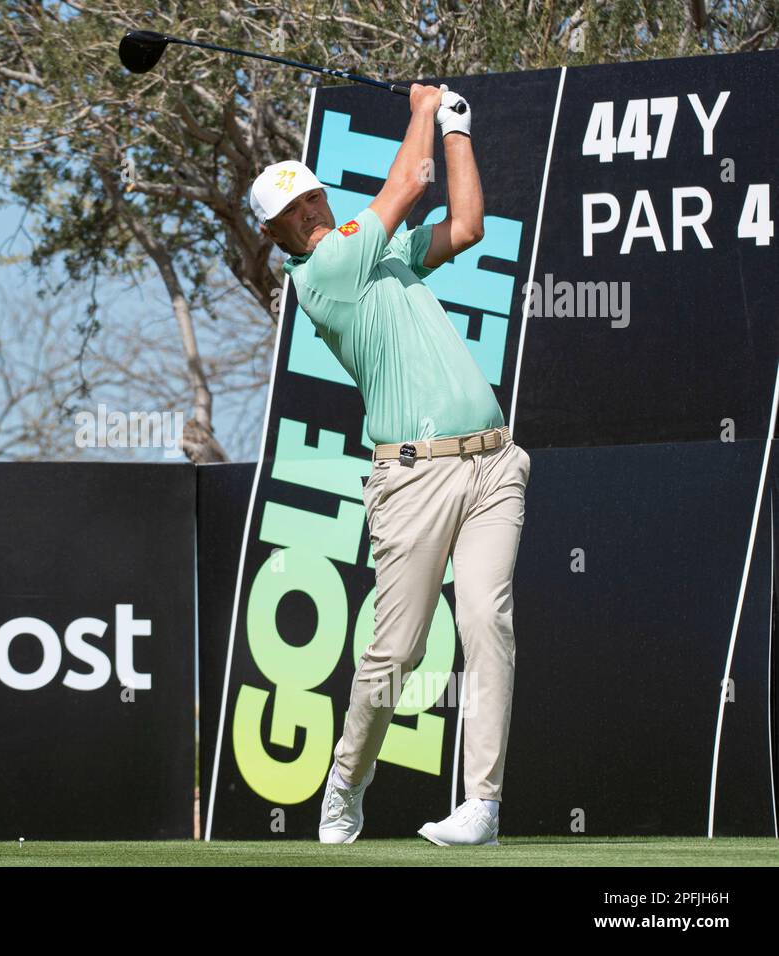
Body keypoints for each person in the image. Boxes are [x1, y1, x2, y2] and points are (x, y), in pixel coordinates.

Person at [248, 83, 531, 846]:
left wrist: (459, 126)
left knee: (485, 617)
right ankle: (347, 780)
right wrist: (422, 108)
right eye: (291, 215)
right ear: (277, 234)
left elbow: (466, 227)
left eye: (311, 199)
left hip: (494, 465)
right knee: (396, 651)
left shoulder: (383, 259)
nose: (308, 214)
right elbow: (409, 183)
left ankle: (483, 805)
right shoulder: (324, 275)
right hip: (410, 479)